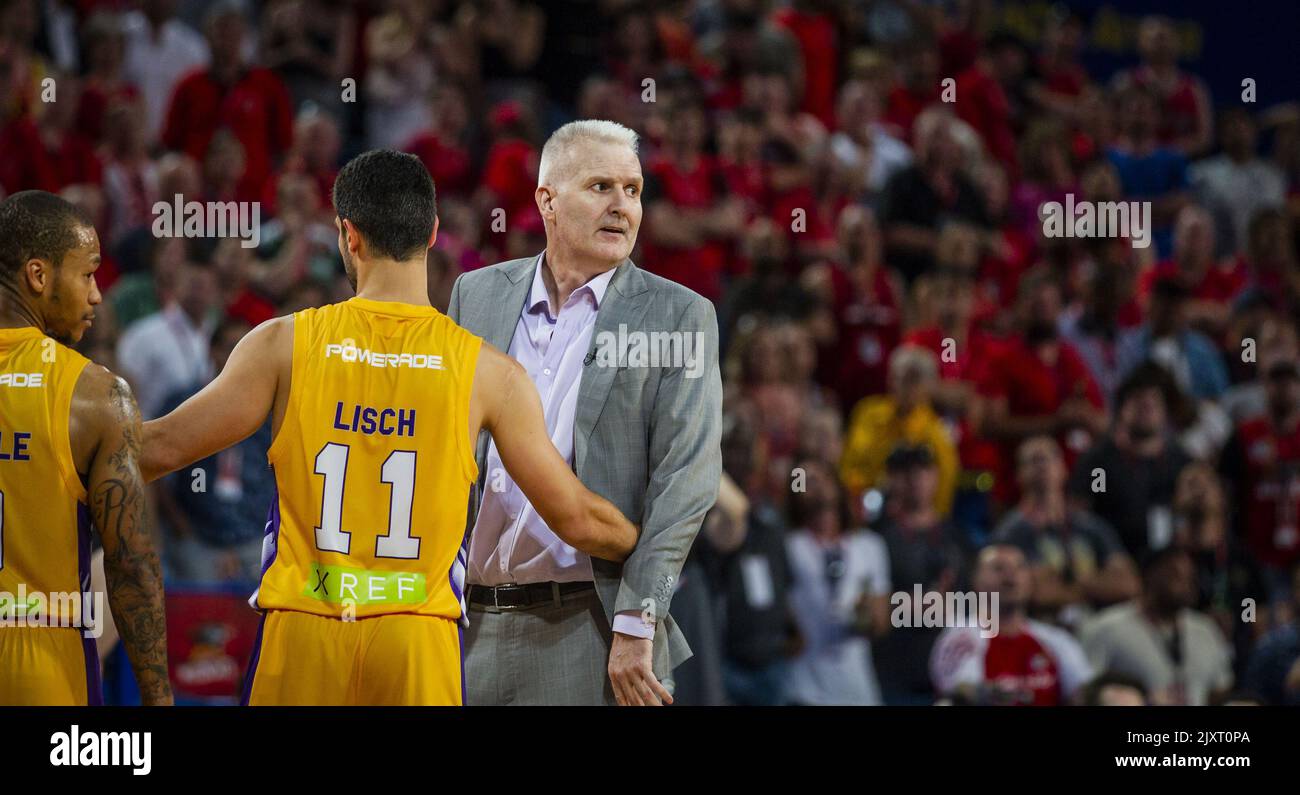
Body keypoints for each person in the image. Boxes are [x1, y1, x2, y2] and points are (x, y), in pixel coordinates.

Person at [139, 150, 640, 706]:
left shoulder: (280, 344)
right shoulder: (488, 372)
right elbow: (577, 517)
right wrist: (656, 542)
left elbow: (156, 448)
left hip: (306, 628)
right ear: (432, 234)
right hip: (415, 638)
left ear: (348, 236)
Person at [448, 119, 723, 706]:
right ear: (546, 200)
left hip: (592, 628)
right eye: (601, 187)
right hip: (467, 627)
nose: (623, 206)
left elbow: (687, 483)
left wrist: (637, 620)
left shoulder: (679, 316)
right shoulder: (477, 294)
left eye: (634, 190)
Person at [0, 190, 171, 705]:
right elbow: (131, 567)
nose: (98, 295)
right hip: (40, 653)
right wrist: (159, 699)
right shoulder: (95, 395)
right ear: (38, 275)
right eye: (87, 274)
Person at [994, 436, 1139, 627]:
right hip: (1044, 628)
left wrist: (1066, 582)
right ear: (1019, 474)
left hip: (1101, 627)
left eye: (1050, 458)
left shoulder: (1091, 525)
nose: (1042, 465)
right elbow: (1040, 594)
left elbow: (1128, 584)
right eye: (1033, 460)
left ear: (1064, 469)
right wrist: (1096, 582)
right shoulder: (1010, 532)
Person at [930, 545, 1092, 706]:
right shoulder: (961, 637)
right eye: (998, 568)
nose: (1010, 576)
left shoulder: (1055, 639)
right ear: (975, 580)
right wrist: (988, 693)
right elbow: (959, 693)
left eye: (1019, 567)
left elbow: (1085, 692)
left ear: (1030, 581)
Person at [784, 459, 890, 705]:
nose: (816, 487)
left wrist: (866, 617)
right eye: (805, 482)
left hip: (857, 688)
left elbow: (881, 623)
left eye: (822, 478)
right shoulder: (789, 546)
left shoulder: (869, 545)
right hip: (804, 688)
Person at [1080, 546, 1233, 706]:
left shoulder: (1205, 629)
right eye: (1176, 575)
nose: (1187, 584)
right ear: (1150, 575)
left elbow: (1220, 690)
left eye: (1190, 577)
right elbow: (1085, 693)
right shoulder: (1106, 628)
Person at [1068, 362, 1192, 559]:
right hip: (1113, 562)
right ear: (1122, 409)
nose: (1146, 408)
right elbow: (1080, 517)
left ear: (1165, 411)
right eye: (1138, 401)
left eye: (1153, 402)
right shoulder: (1098, 466)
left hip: (1170, 562)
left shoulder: (1182, 463)